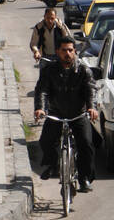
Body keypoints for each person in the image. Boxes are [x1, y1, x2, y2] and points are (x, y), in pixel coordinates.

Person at [34, 36, 98, 192]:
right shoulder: (49, 70)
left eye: (70, 50)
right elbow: (41, 90)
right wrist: (40, 108)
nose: (67, 53)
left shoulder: (83, 69)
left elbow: (91, 89)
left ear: (75, 51)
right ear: (57, 52)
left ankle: (84, 179)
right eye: (64, 50)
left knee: (86, 144)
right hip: (57, 114)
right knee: (45, 142)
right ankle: (53, 164)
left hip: (78, 115)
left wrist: (92, 107)